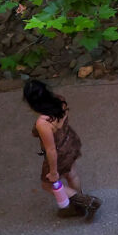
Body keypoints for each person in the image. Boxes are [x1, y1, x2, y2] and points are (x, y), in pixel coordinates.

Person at [23, 80, 99, 221]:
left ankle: (87, 201)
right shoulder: (59, 100)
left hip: (60, 152)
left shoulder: (43, 123)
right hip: (70, 142)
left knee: (47, 184)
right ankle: (79, 207)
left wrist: (53, 171)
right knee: (72, 174)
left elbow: (51, 149)